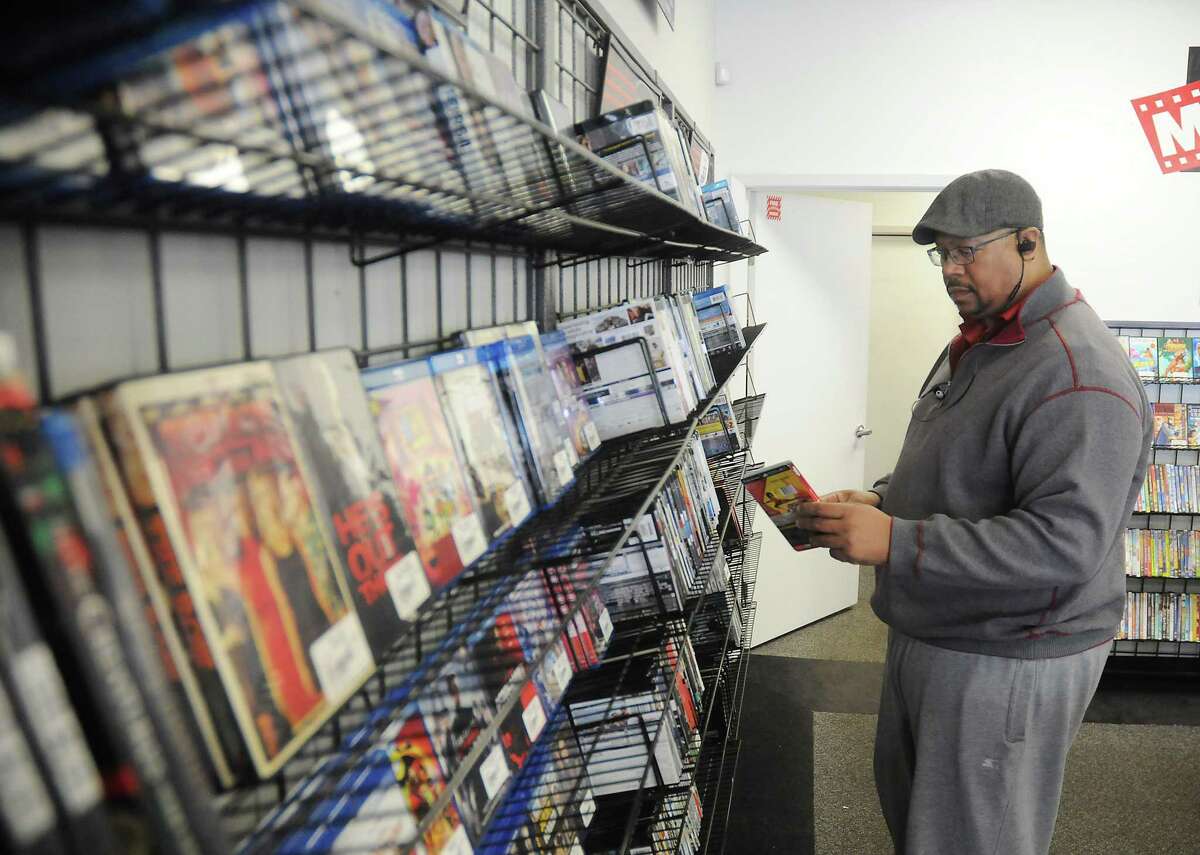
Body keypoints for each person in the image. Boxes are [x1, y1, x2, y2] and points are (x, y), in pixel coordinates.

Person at [793, 169, 1152, 855]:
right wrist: (882, 501)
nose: (950, 269)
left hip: (1007, 653)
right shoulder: (983, 339)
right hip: (943, 629)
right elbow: (962, 462)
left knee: (975, 837)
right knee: (928, 827)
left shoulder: (1079, 374)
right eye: (942, 254)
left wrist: (896, 540)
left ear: (1029, 242)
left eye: (967, 251)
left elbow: (1062, 547)